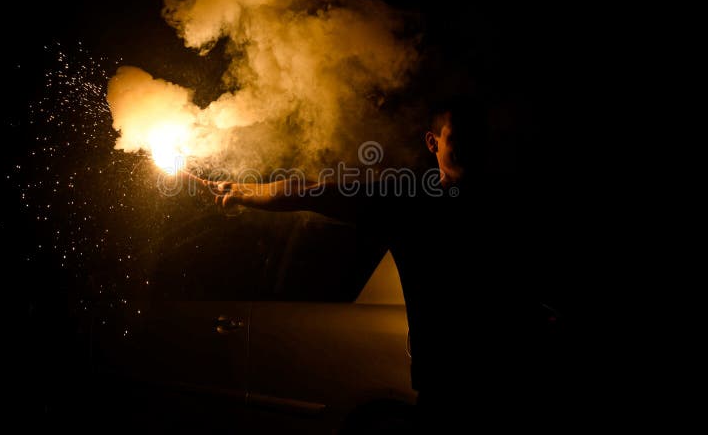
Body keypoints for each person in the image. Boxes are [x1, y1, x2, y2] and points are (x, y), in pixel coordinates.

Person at [208, 97, 562, 429]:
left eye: (476, 136)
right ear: (432, 142)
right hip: (447, 389)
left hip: (518, 380)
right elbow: (316, 190)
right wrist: (244, 193)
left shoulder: (513, 207)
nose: (469, 145)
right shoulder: (412, 203)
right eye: (458, 136)